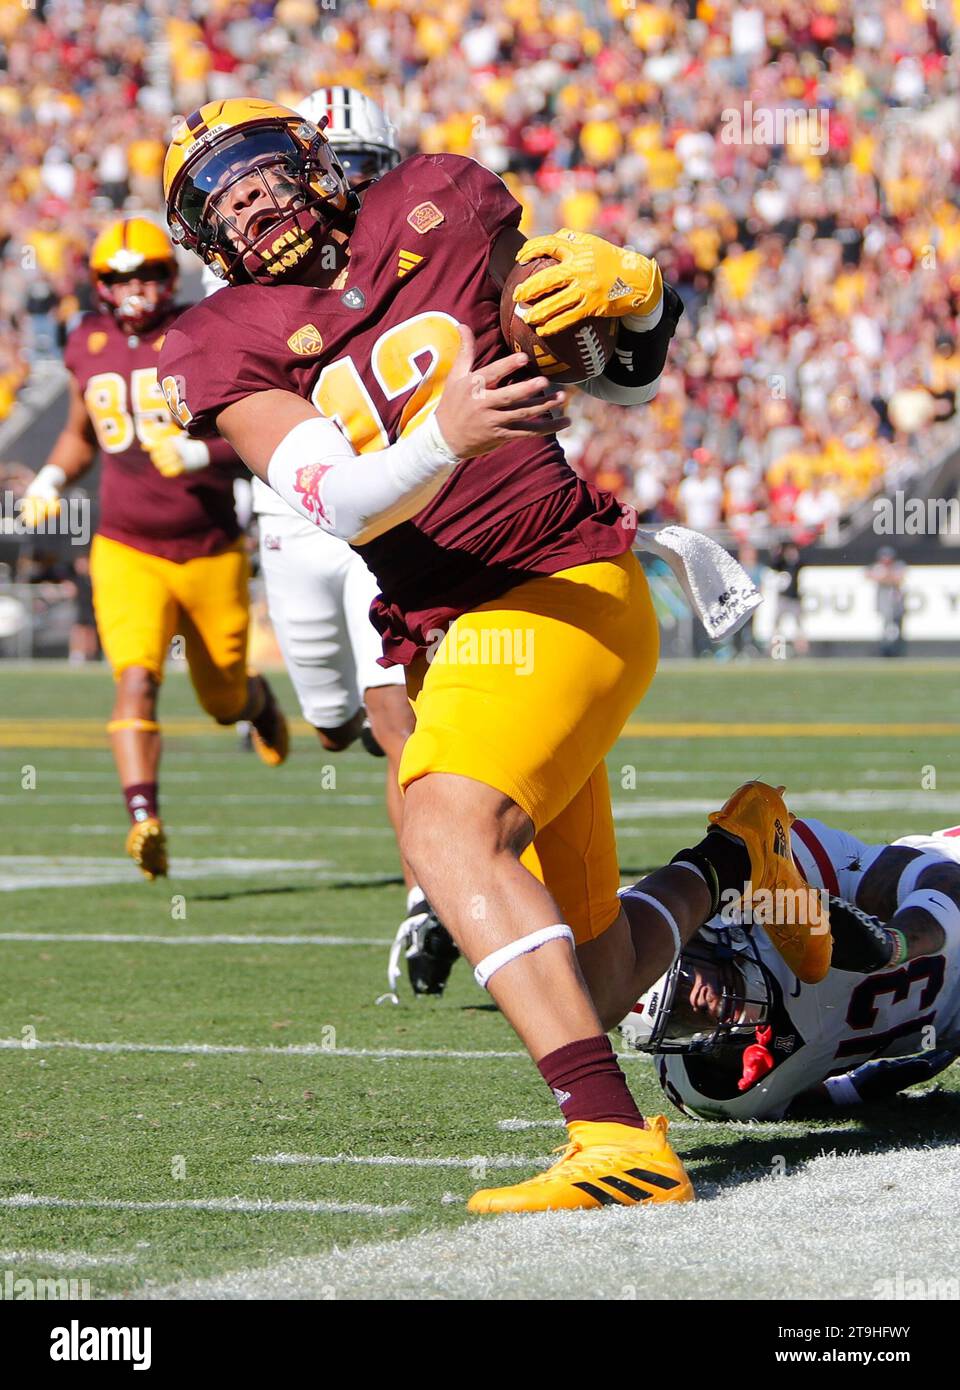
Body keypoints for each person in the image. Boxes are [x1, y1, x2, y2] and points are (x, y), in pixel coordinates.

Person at [158, 99, 829, 1211]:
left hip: (560, 582)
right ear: (204, 238)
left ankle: (613, 1140)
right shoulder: (222, 341)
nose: (258, 203)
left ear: (317, 165)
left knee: (441, 819)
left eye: (266, 174)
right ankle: (741, 853)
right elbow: (341, 497)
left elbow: (605, 367)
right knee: (596, 972)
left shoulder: (439, 203)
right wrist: (442, 435)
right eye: (225, 199)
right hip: (448, 629)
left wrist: (644, 302)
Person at [201, 88, 455, 997]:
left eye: (366, 162)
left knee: (398, 723)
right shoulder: (232, 289)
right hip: (291, 519)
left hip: (382, 517)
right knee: (336, 723)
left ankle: (430, 897)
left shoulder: (415, 252)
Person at [21, 217, 288, 880]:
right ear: (101, 284)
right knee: (136, 678)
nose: (135, 288)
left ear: (169, 277)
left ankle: (256, 703)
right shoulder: (85, 339)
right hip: (126, 546)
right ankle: (144, 819)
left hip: (209, 545)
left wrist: (202, 449)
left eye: (147, 274)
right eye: (120, 277)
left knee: (221, 699)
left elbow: (270, 427)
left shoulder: (202, 330)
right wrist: (54, 476)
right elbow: (85, 429)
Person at [625, 817, 960, 1121]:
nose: (696, 1002)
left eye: (683, 982)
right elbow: (785, 1097)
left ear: (696, 934)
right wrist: (852, 1088)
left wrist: (893, 944)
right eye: (677, 1018)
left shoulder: (779, 879)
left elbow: (946, 881)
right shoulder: (710, 1087)